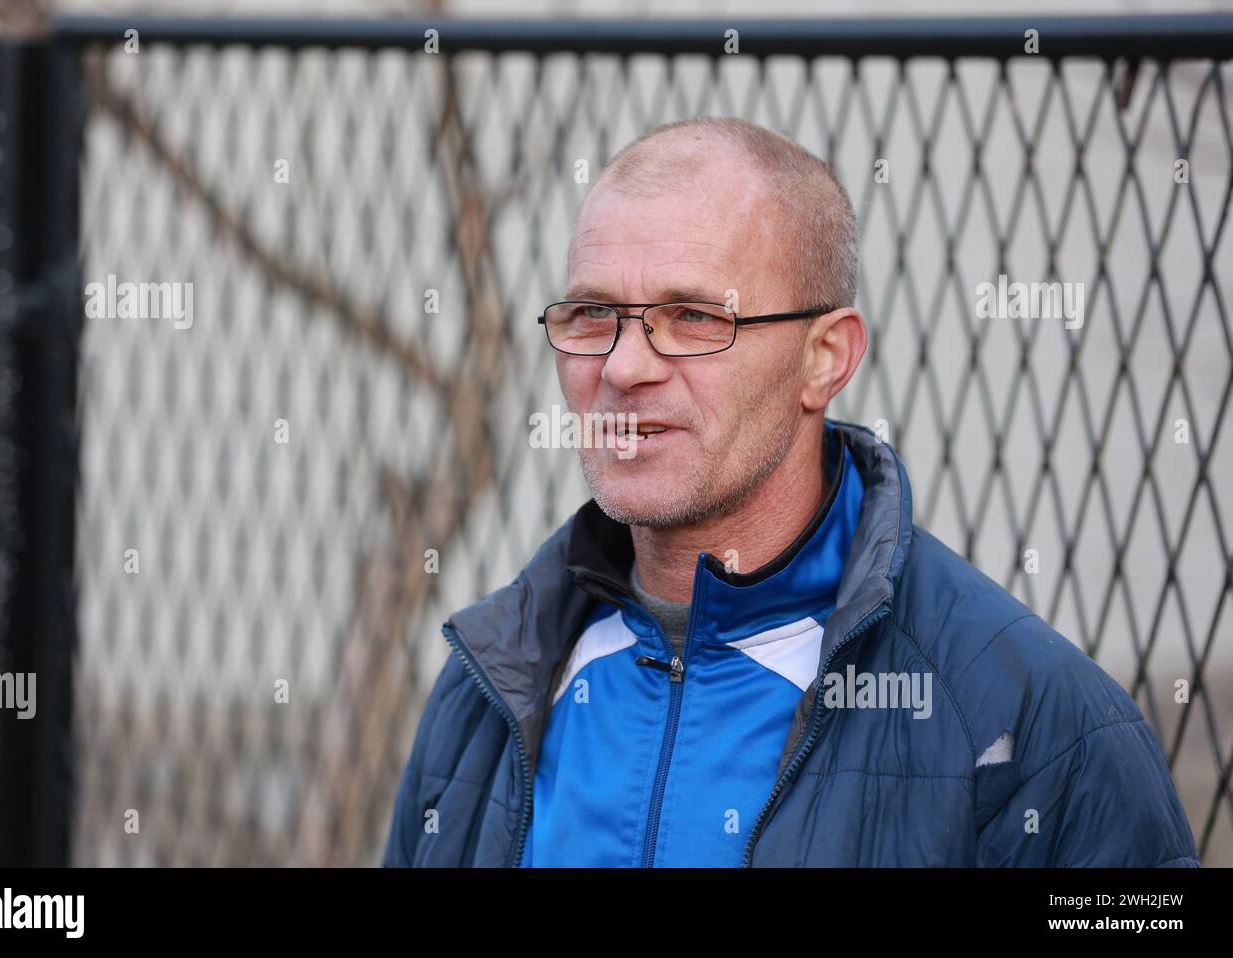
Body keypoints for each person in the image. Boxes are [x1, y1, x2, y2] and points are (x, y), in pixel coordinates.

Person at [382, 116, 1199, 867]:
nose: (624, 366)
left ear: (825, 358)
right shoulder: (491, 682)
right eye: (595, 313)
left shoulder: (1035, 727)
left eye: (695, 317)